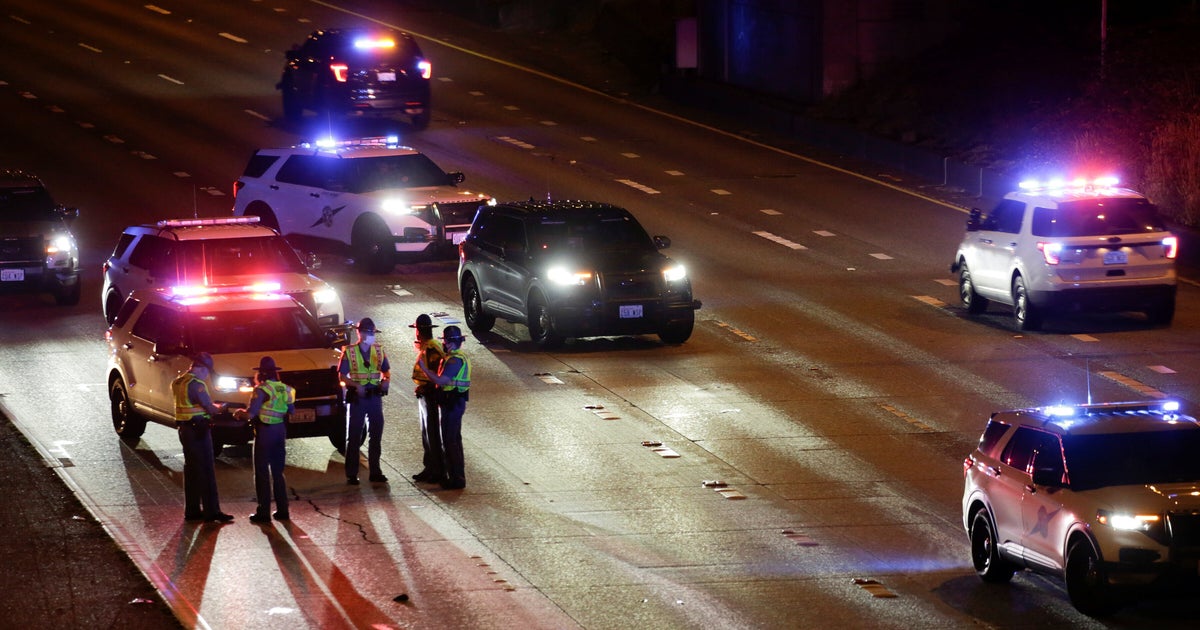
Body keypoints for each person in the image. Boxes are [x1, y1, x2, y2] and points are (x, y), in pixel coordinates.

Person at [172, 352, 233, 523]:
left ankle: (191, 510)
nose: (207, 375)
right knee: (206, 469)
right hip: (198, 430)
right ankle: (212, 511)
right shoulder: (196, 384)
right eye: (208, 371)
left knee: (191, 470)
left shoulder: (178, 381)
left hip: (184, 429)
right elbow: (209, 407)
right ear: (202, 368)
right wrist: (221, 408)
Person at [234, 357, 295, 523]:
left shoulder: (261, 390)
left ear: (260, 373)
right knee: (278, 472)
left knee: (261, 473)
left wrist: (239, 413)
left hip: (265, 432)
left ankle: (263, 512)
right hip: (280, 431)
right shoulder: (286, 389)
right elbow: (291, 410)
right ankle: (283, 510)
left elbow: (251, 414)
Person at [417, 325, 470, 490]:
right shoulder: (454, 357)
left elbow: (442, 381)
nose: (444, 344)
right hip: (452, 403)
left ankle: (456, 478)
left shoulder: (455, 360)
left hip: (453, 404)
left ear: (450, 342)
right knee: (454, 440)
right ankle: (456, 476)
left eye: (446, 340)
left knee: (450, 440)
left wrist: (425, 370)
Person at [339, 317, 391, 485]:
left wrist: (386, 381)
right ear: (359, 333)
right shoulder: (349, 352)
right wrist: (356, 386)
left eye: (372, 333)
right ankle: (352, 474)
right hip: (358, 399)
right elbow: (341, 376)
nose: (371, 336)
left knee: (376, 435)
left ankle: (375, 471)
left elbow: (386, 371)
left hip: (375, 397)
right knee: (354, 437)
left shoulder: (379, 350)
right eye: (368, 333)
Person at [409, 314, 446, 484]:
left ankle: (437, 470)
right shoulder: (428, 346)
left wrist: (426, 387)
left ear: (419, 331)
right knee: (427, 433)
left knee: (432, 433)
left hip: (430, 395)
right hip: (425, 393)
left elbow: (434, 375)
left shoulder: (431, 348)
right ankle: (429, 467)